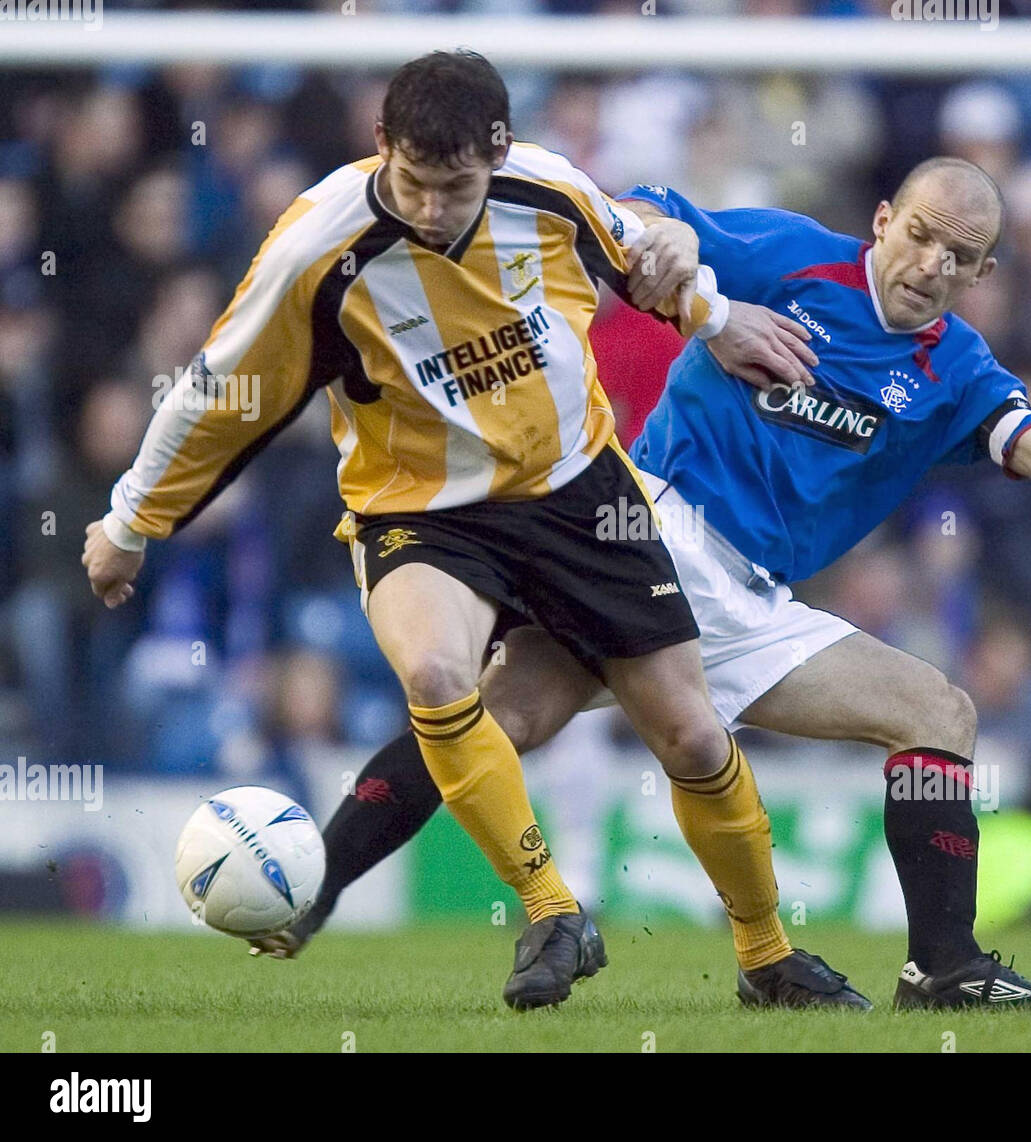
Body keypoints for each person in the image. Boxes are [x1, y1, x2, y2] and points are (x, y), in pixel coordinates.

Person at [247, 155, 1031, 1012]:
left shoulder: (956, 371)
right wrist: (695, 265)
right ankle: (327, 880)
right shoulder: (794, 256)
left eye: (959, 256)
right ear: (883, 218)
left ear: (979, 275)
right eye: (920, 234)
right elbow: (645, 213)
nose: (929, 263)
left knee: (927, 711)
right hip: (650, 524)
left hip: (749, 595)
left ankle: (931, 965)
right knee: (524, 714)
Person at [81, 51, 869, 1013]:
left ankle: (766, 955)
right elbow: (219, 389)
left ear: (499, 153)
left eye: (456, 187)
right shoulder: (318, 245)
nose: (433, 207)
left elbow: (641, 256)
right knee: (438, 676)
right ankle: (549, 907)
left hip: (579, 493)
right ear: (381, 146)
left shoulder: (548, 188)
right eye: (412, 181)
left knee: (694, 737)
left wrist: (711, 315)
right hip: (418, 507)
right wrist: (131, 519)